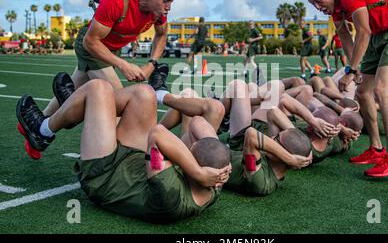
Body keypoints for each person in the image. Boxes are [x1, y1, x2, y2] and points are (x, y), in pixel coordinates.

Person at [16, 74, 231, 223]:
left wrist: (197, 171)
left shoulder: (171, 196)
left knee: (97, 87)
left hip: (104, 175)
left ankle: (44, 130)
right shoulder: (215, 182)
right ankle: (76, 107)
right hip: (135, 161)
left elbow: (158, 133)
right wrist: (215, 161)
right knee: (144, 93)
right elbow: (197, 124)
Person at [303, 0, 388, 178]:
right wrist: (352, 69)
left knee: (381, 89)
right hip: (376, 38)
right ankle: (376, 149)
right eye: (313, 5)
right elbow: (345, 36)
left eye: (318, 1)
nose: (318, 7)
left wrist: (353, 70)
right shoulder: (335, 9)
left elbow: (363, 31)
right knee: (363, 93)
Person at [41, 0, 177, 117]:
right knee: (119, 102)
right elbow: (90, 41)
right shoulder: (115, 0)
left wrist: (151, 64)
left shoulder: (158, 11)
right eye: (165, 0)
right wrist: (123, 65)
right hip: (92, 44)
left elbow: (161, 34)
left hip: (111, 48)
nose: (168, 7)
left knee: (71, 92)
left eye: (171, 2)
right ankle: (121, 140)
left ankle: (38, 126)